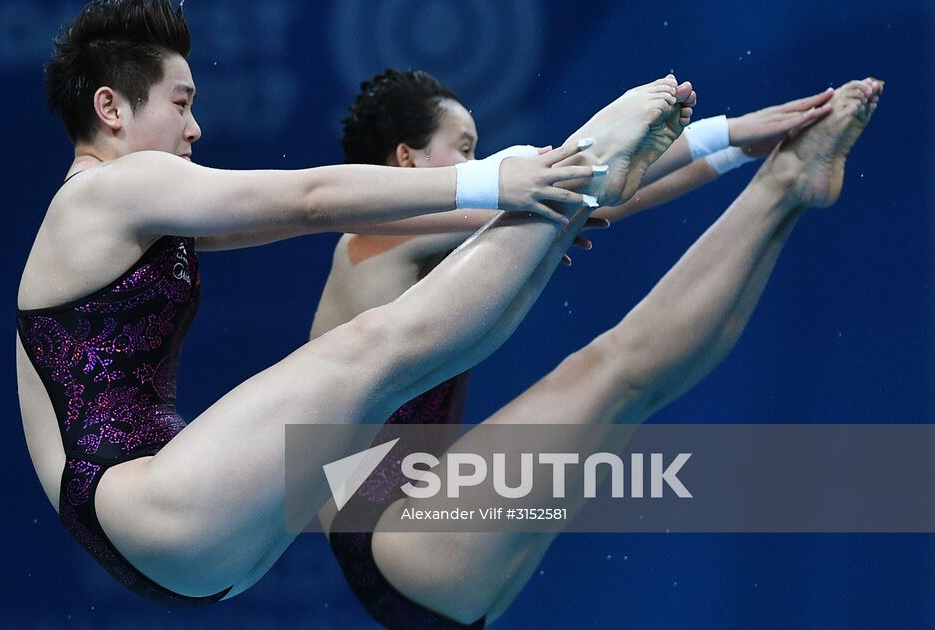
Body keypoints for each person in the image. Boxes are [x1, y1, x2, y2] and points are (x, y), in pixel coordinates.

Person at [15, 0, 692, 605]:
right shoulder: (107, 190)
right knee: (372, 346)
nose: (194, 129)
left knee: (402, 370)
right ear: (111, 109)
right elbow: (310, 199)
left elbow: (334, 214)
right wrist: (493, 180)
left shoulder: (132, 214)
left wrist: (519, 194)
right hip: (148, 504)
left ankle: (573, 195)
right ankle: (585, 170)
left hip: (185, 538)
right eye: (181, 103)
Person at [311, 69, 880, 627]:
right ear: (406, 159)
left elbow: (610, 194)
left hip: (421, 550)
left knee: (636, 385)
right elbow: (575, 178)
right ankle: (783, 184)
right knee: (613, 369)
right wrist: (728, 131)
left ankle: (785, 189)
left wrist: (738, 144)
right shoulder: (367, 238)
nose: (480, 164)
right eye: (464, 149)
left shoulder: (436, 234)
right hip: (389, 530)